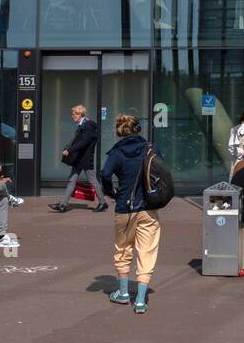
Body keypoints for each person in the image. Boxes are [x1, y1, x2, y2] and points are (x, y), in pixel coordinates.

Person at [100, 115, 162, 314]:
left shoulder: (117, 152)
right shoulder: (150, 148)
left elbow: (105, 173)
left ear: (120, 131)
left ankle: (124, 292)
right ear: (138, 129)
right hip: (148, 207)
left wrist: (111, 192)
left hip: (125, 207)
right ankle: (141, 300)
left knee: (123, 249)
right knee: (147, 252)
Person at [50, 104, 104, 213]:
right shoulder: (82, 125)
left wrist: (69, 150)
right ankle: (63, 205)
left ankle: (103, 203)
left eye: (74, 114)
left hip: (85, 159)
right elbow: (78, 141)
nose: (72, 116)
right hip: (79, 158)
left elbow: (83, 143)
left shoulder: (88, 126)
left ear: (80, 114)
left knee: (93, 180)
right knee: (72, 180)